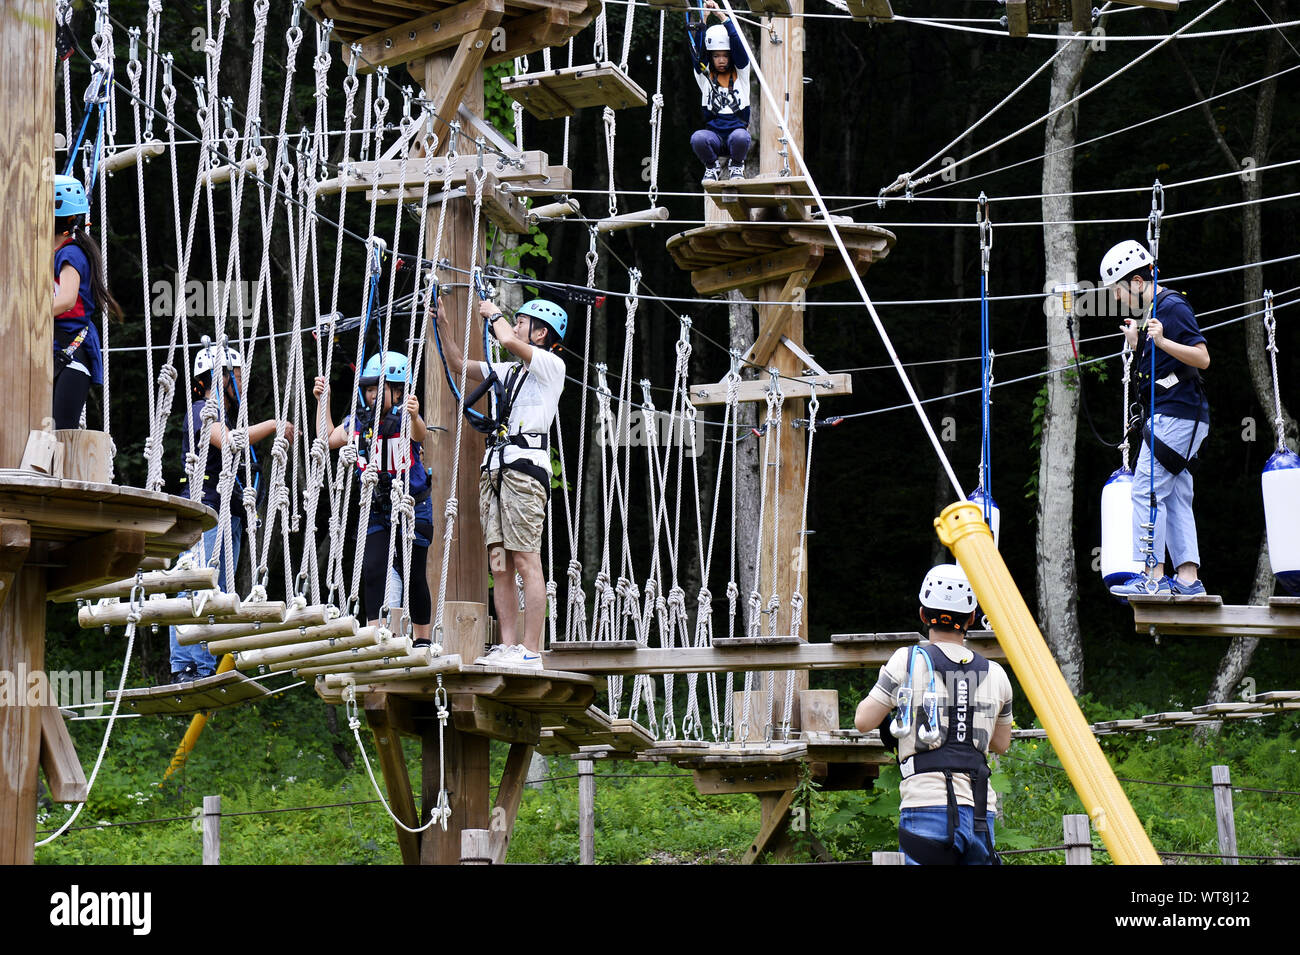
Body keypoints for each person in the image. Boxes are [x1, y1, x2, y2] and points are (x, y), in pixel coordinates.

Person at [434, 296, 566, 670]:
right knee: (500, 563)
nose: (517, 326)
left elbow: (507, 340)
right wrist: (443, 323)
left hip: (525, 469)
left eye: (523, 322)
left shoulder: (551, 366)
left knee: (526, 559)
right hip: (496, 468)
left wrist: (496, 315)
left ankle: (531, 650)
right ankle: (508, 646)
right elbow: (459, 364)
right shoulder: (508, 372)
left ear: (540, 333)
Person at [854, 564, 1014, 865]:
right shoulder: (996, 674)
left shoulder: (907, 660)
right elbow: (1001, 744)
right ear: (970, 619)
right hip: (980, 809)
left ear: (924, 614)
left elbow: (863, 721)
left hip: (925, 803)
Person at [170, 343, 294, 682]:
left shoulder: (227, 418)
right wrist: (271, 425)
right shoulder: (201, 410)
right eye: (236, 375)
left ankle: (205, 664)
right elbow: (228, 441)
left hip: (231, 514)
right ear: (218, 377)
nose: (241, 382)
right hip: (205, 509)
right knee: (196, 586)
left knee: (219, 593)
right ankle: (186, 666)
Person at [1100, 240, 1211, 598]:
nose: (1117, 300)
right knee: (1175, 493)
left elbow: (1201, 358)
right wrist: (1139, 344)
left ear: (1135, 282)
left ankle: (1151, 574)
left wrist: (1161, 342)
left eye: (1118, 291)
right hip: (1178, 416)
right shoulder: (1152, 315)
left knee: (1146, 490)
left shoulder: (1171, 307)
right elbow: (1160, 369)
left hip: (1176, 416)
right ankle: (1188, 579)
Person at [314, 351, 434, 646]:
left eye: (379, 390)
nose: (373, 396)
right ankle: (374, 631)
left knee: (414, 574)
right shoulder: (358, 422)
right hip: (378, 509)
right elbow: (328, 439)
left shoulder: (405, 418)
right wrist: (324, 400)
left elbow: (421, 436)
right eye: (369, 390)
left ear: (397, 390)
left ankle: (422, 638)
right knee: (372, 568)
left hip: (412, 507)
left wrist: (415, 414)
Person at [51, 174, 122, 429]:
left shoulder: (70, 253)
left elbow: (68, 299)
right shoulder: (51, 255)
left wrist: (28, 313)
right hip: (54, 350)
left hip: (71, 353)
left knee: (60, 431)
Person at [689, 0, 752, 183]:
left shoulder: (741, 74)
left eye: (725, 55)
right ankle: (712, 166)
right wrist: (704, 20)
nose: (721, 60)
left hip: (736, 136)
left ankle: (736, 165)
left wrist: (722, 17)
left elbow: (739, 49)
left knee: (741, 136)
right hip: (714, 137)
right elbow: (698, 55)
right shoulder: (704, 76)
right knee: (697, 138)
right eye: (716, 56)